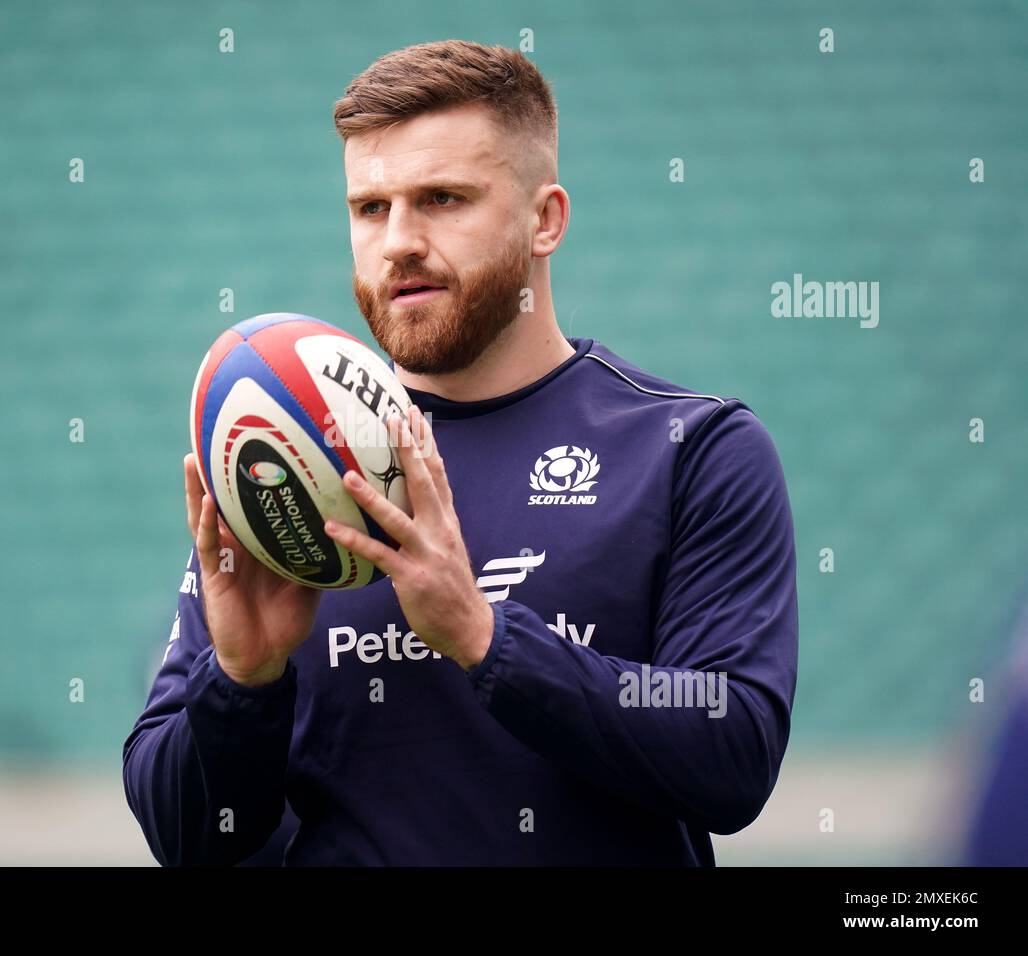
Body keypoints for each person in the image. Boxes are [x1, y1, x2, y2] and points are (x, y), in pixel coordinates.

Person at [123, 39, 799, 865]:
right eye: (371, 208)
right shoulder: (293, 450)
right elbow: (183, 837)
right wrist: (244, 681)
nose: (398, 240)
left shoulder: (690, 450)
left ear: (544, 219)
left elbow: (732, 751)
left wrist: (485, 640)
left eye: (442, 199)